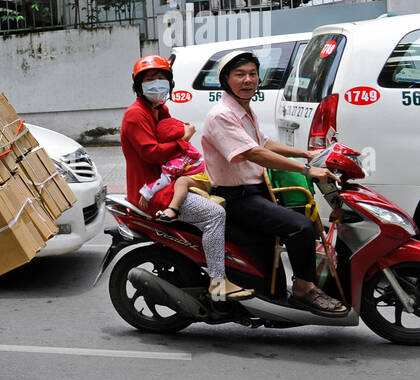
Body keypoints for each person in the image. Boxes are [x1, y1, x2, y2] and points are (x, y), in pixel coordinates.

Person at [200, 50, 347, 315]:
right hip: (236, 198)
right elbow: (253, 153)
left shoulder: (244, 109)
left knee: (304, 221)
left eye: (253, 74)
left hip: (256, 191)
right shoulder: (221, 114)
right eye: (240, 75)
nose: (248, 80)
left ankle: (274, 293)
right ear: (225, 80)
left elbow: (264, 143)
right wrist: (305, 169)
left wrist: (306, 153)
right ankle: (304, 289)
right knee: (300, 227)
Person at [121, 55, 253, 302]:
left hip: (172, 180)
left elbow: (172, 131)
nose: (157, 84)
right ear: (138, 86)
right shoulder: (135, 115)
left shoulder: (159, 109)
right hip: (152, 192)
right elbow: (150, 153)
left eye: (162, 79)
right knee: (215, 214)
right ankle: (218, 281)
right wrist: (183, 139)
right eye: (150, 80)